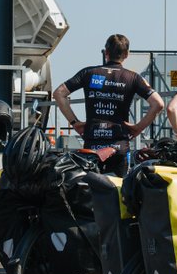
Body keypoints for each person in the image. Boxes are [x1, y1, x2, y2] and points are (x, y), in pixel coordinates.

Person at [53, 34, 164, 175]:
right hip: (119, 145)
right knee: (119, 186)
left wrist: (74, 123)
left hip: (92, 144)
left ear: (106, 52)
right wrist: (138, 128)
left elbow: (59, 93)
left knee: (92, 184)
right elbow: (158, 104)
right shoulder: (133, 77)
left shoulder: (88, 73)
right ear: (126, 54)